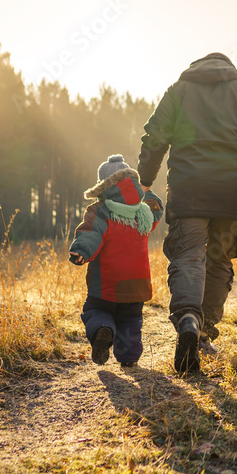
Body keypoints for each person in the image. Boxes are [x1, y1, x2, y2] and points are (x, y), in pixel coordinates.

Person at [136, 52, 237, 375]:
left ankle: (188, 318)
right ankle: (201, 332)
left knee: (188, 254)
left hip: (189, 189)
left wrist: (145, 178)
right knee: (218, 259)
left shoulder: (179, 90)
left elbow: (155, 135)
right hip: (231, 192)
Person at [70, 154, 164, 368]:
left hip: (107, 283)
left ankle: (103, 328)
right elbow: (157, 206)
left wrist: (81, 251)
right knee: (130, 320)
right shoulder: (144, 212)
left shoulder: (101, 210)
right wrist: (143, 190)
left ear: (103, 186)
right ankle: (129, 357)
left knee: (94, 310)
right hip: (137, 284)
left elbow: (91, 234)